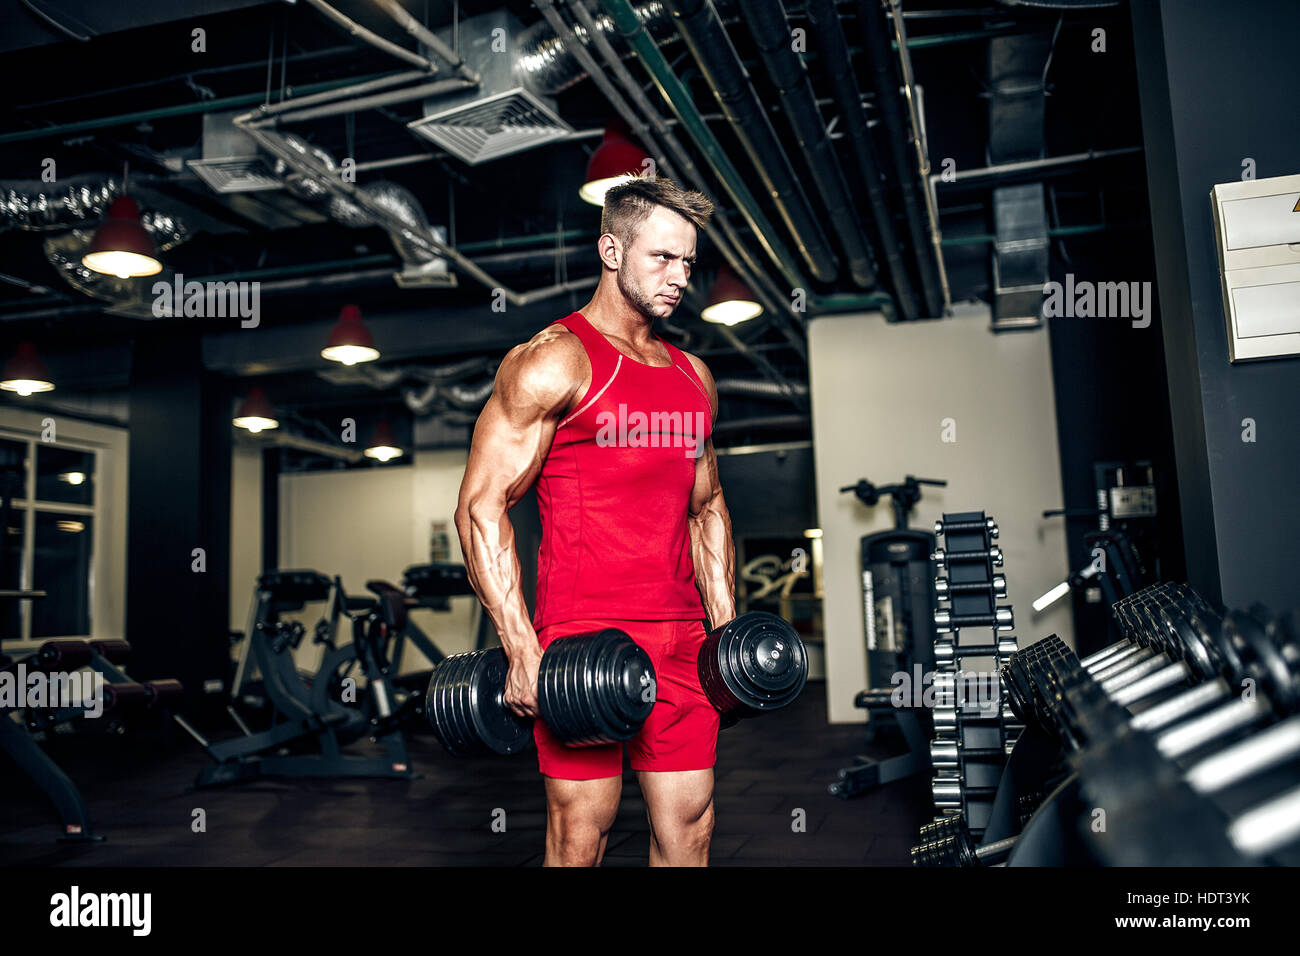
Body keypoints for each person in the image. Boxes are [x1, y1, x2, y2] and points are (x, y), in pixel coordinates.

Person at [455, 177, 737, 866]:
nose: (679, 278)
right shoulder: (556, 358)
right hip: (582, 640)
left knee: (690, 829)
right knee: (582, 836)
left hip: (679, 640)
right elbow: (480, 506)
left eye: (688, 263)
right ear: (611, 249)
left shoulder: (692, 376)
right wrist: (522, 648)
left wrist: (725, 636)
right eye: (662, 259)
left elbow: (707, 509)